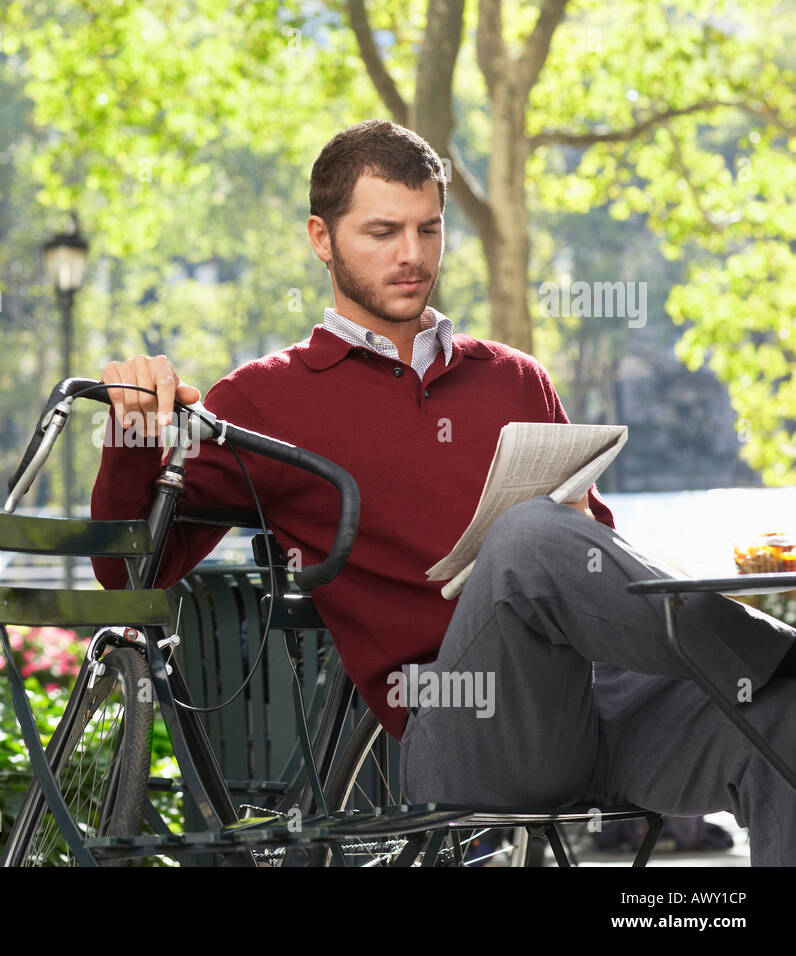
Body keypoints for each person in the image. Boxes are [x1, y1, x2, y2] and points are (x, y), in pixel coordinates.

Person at [89, 119, 796, 865]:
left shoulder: (515, 378)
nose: (412, 256)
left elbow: (602, 574)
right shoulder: (264, 399)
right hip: (469, 733)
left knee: (783, 719)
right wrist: (131, 431)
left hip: (609, 712)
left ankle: (775, 671)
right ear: (321, 239)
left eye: (430, 230)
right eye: (383, 231)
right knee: (526, 538)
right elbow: (131, 574)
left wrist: (585, 528)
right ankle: (776, 649)